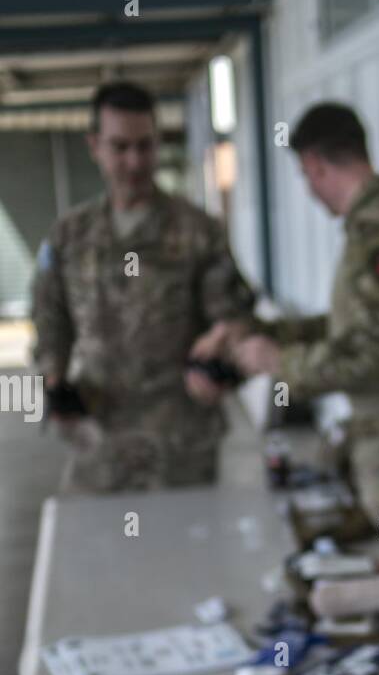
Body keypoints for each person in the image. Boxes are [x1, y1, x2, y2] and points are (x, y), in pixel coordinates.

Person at [194, 101, 379, 521]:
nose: (309, 190)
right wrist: (258, 332)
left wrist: (279, 362)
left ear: (314, 165)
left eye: (305, 177)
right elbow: (354, 327)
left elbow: (378, 357)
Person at [32, 81, 256, 494]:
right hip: (97, 437)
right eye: (120, 147)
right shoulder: (69, 235)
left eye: (145, 146)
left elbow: (232, 316)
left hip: (180, 443)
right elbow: (51, 318)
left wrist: (223, 350)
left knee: (183, 553)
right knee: (100, 550)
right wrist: (53, 378)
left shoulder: (197, 231)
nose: (135, 162)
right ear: (94, 145)